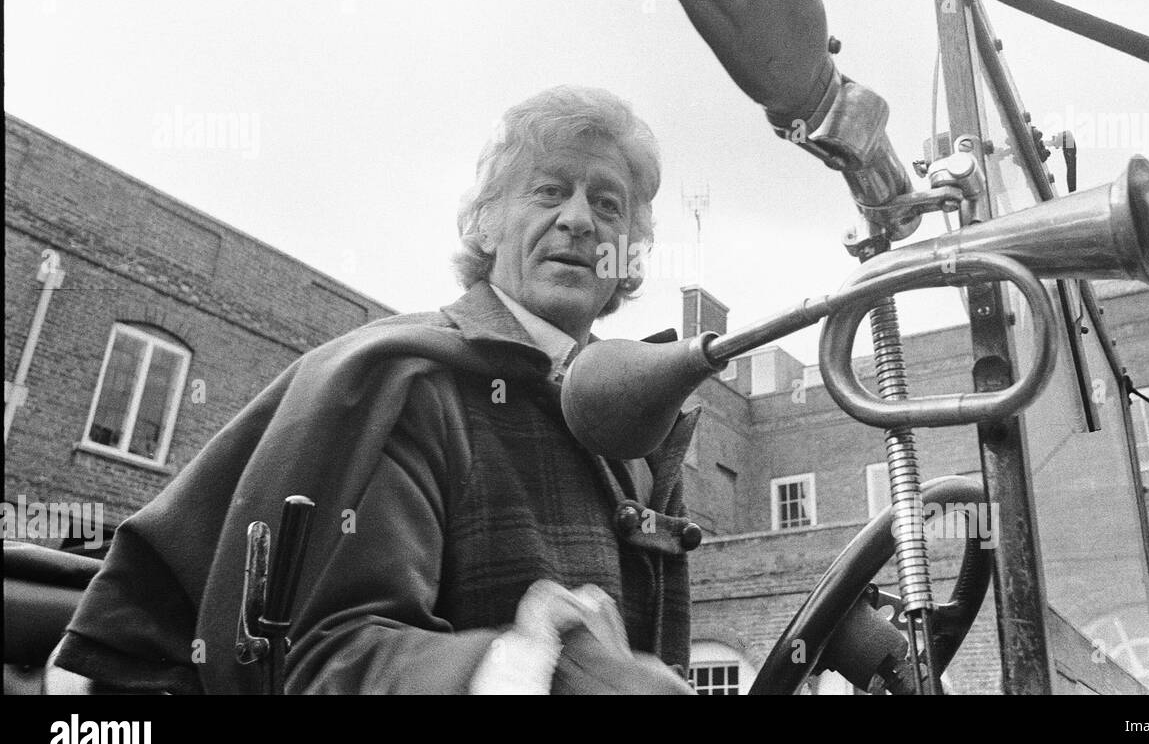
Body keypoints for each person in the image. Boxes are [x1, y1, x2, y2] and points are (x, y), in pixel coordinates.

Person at [53, 85, 699, 694]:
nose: (580, 219)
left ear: (629, 255)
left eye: (608, 204)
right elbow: (329, 659)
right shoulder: (411, 383)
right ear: (485, 226)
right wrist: (531, 666)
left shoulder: (641, 431)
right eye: (550, 190)